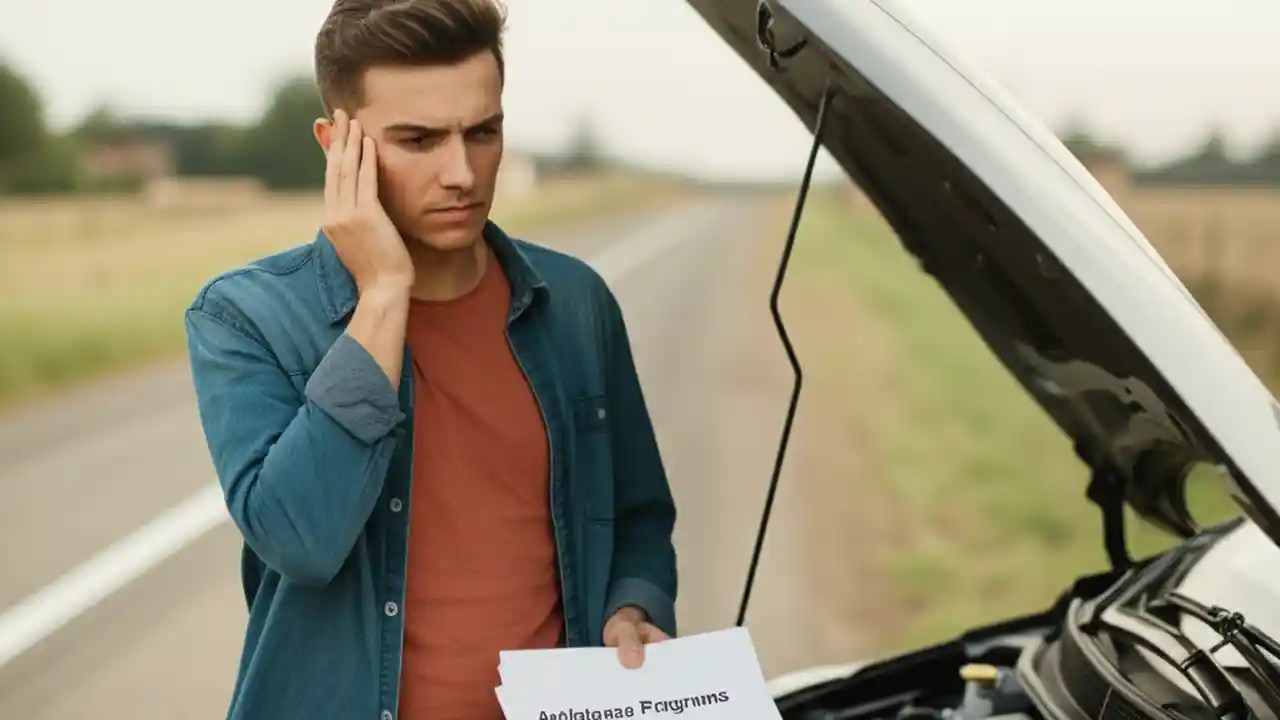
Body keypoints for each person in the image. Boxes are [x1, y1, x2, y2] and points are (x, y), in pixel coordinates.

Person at [183, 1, 678, 718]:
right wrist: (384, 294)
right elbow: (300, 540)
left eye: (483, 132)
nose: (461, 173)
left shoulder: (577, 303)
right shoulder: (245, 316)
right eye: (419, 140)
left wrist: (633, 606)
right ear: (337, 146)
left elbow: (636, 515)